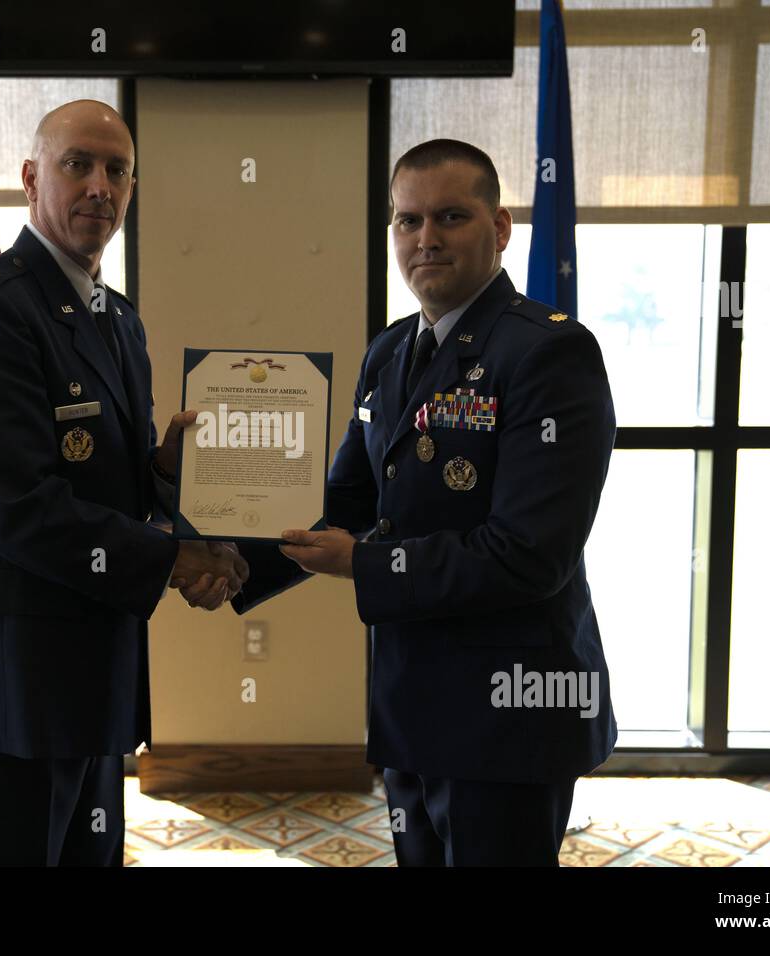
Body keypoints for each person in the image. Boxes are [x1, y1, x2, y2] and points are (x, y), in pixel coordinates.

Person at [233, 139, 617, 866]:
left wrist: (365, 566)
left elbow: (531, 555)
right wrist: (227, 553)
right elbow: (347, 498)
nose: (426, 239)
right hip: (411, 701)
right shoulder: (390, 352)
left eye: (450, 217)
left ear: (500, 228)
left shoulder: (547, 354)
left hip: (509, 711)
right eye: (408, 222)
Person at [0, 100, 246, 866]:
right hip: (5, 689)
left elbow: (102, 481)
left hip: (91, 677)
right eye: (78, 165)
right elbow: (18, 509)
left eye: (118, 170)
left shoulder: (117, 319)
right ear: (31, 179)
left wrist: (163, 472)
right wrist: (173, 560)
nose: (101, 185)